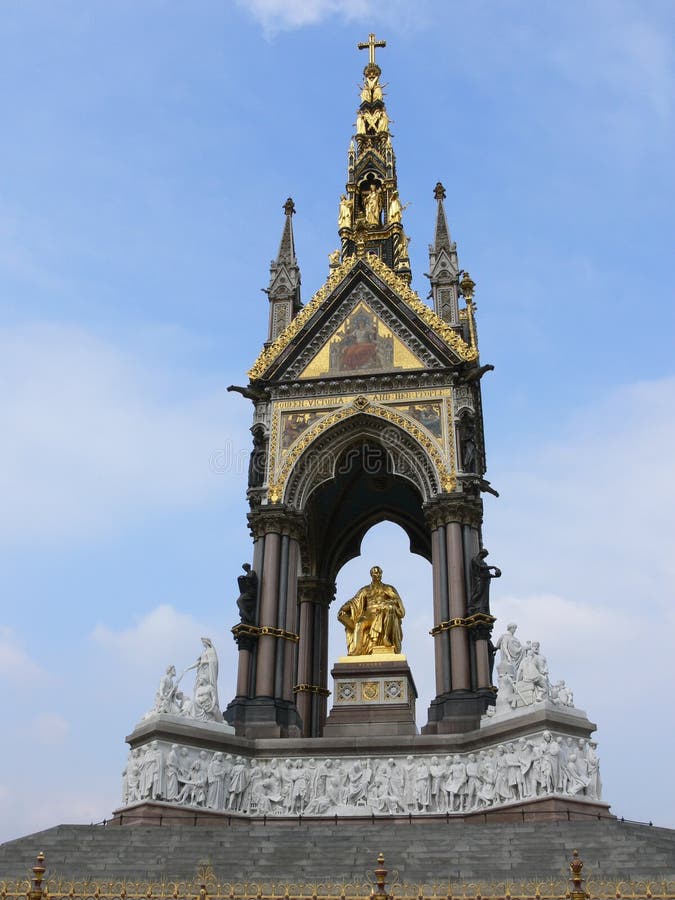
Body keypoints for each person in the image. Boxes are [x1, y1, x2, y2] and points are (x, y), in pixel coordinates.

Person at [337, 565, 405, 655]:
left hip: (383, 612)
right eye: (376, 573)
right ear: (371, 575)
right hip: (368, 615)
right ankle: (357, 650)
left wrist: (390, 604)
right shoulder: (365, 590)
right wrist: (344, 609)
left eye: (379, 573)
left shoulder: (389, 589)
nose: (378, 575)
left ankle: (386, 638)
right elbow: (354, 602)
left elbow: (399, 606)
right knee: (359, 624)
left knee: (390, 609)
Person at [468, 548, 501, 615]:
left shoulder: (484, 562)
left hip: (485, 580)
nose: (484, 557)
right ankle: (472, 607)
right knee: (478, 592)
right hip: (479, 579)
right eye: (484, 555)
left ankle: (482, 608)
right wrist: (493, 567)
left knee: (485, 596)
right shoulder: (475, 559)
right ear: (481, 553)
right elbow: (481, 567)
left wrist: (495, 576)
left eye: (485, 556)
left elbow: (487, 573)